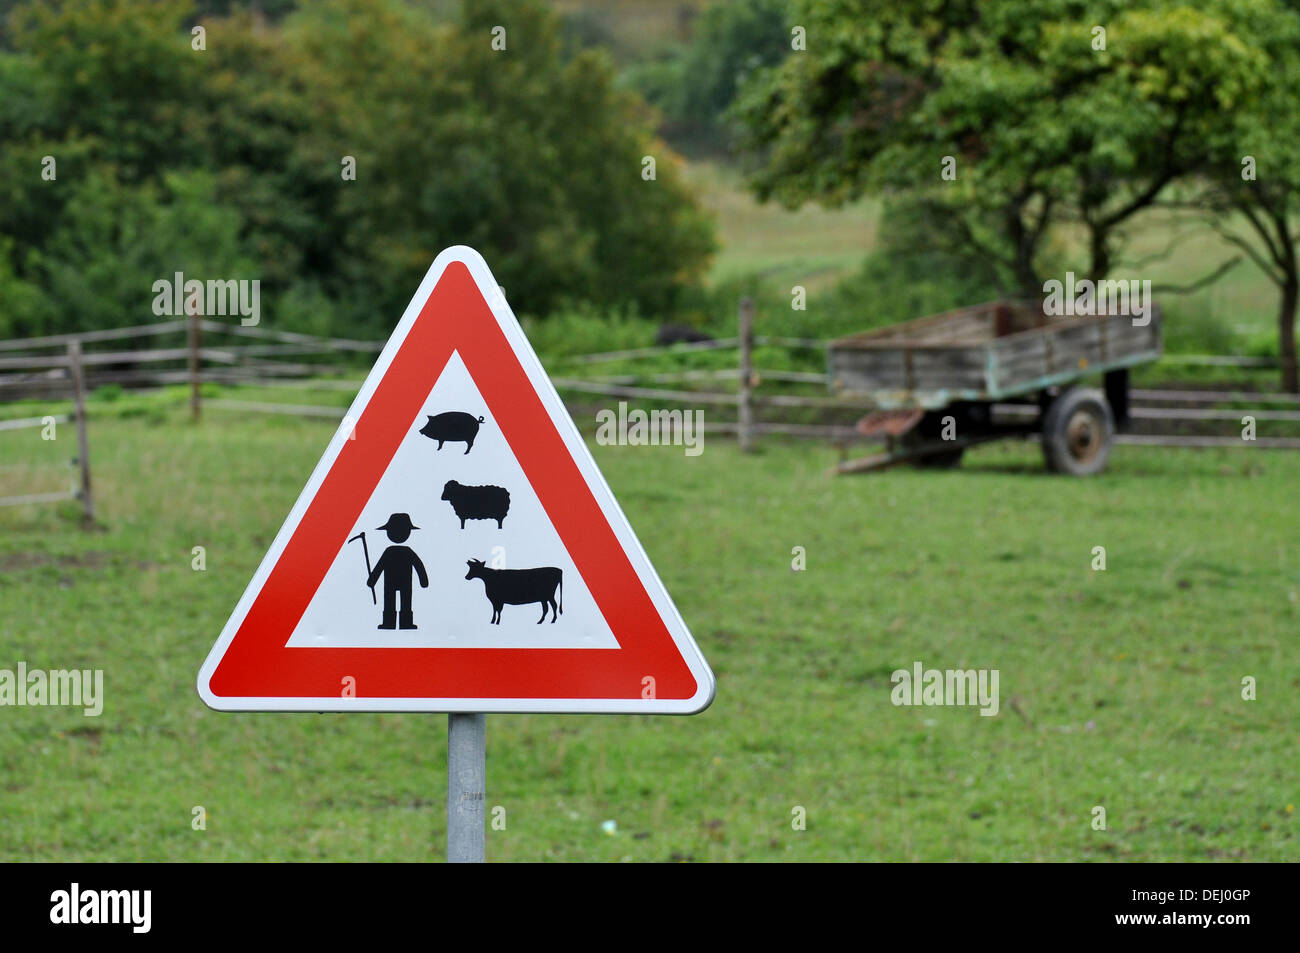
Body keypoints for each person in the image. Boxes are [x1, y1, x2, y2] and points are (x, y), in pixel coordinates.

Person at [366, 513, 429, 630]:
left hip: (395, 582)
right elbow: (418, 565)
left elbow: (379, 567)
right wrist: (423, 581)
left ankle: (395, 623)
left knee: (399, 602)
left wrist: (372, 580)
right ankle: (399, 623)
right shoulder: (399, 552)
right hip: (400, 582)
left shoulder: (391, 552)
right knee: (398, 602)